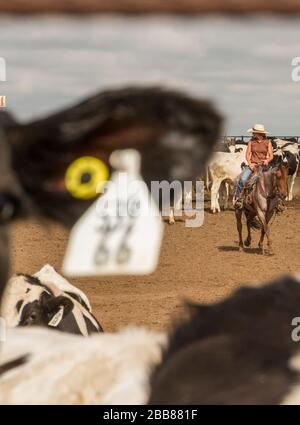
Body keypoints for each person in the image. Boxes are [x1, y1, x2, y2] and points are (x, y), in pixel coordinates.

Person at [233, 124, 274, 208]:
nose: (252, 134)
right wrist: (250, 163)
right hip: (253, 165)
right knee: (242, 179)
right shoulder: (251, 142)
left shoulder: (268, 142)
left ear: (259, 133)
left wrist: (267, 160)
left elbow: (271, 155)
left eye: (254, 132)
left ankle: (276, 201)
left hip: (263, 165)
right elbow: (247, 154)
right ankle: (238, 198)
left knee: (274, 180)